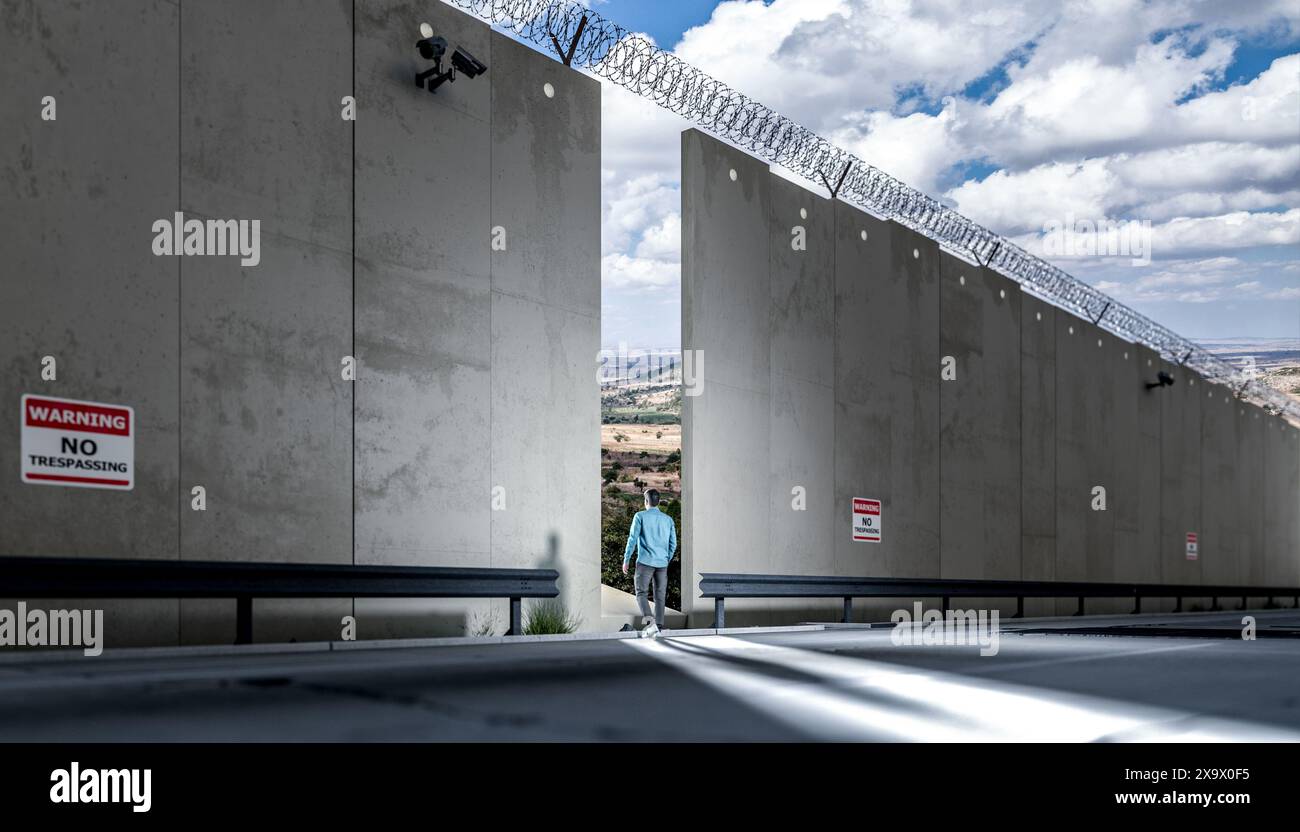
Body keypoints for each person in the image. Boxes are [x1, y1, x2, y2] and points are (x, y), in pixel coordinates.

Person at [622, 488, 678, 637]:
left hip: (645, 562)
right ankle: (658, 626)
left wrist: (626, 559)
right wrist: (666, 558)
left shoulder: (640, 516)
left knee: (641, 593)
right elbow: (673, 544)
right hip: (662, 563)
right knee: (660, 595)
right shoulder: (668, 520)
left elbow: (632, 539)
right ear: (658, 501)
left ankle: (651, 624)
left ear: (646, 502)